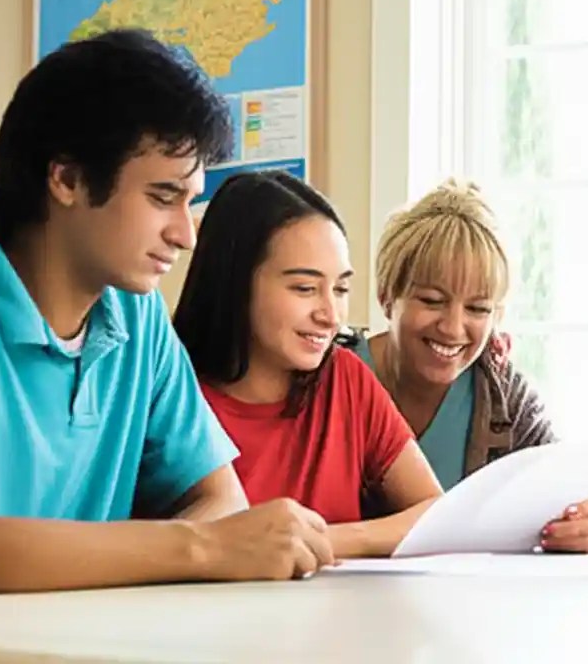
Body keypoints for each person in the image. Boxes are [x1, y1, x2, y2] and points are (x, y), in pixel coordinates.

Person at [0, 29, 335, 606]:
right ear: (66, 178)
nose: (187, 234)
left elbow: (221, 499)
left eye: (190, 201)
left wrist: (208, 540)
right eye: (163, 197)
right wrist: (200, 548)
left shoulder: (136, 318)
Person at [173, 170, 442, 559]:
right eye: (305, 288)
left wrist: (321, 541)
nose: (331, 315)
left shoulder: (345, 378)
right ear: (234, 282)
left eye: (341, 289)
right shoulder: (171, 393)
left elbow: (435, 513)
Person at [351, 179, 588, 553]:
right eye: (432, 301)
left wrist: (586, 515)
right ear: (387, 297)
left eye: (477, 309)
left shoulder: (503, 396)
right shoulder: (332, 377)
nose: (453, 328)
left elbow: (563, 485)